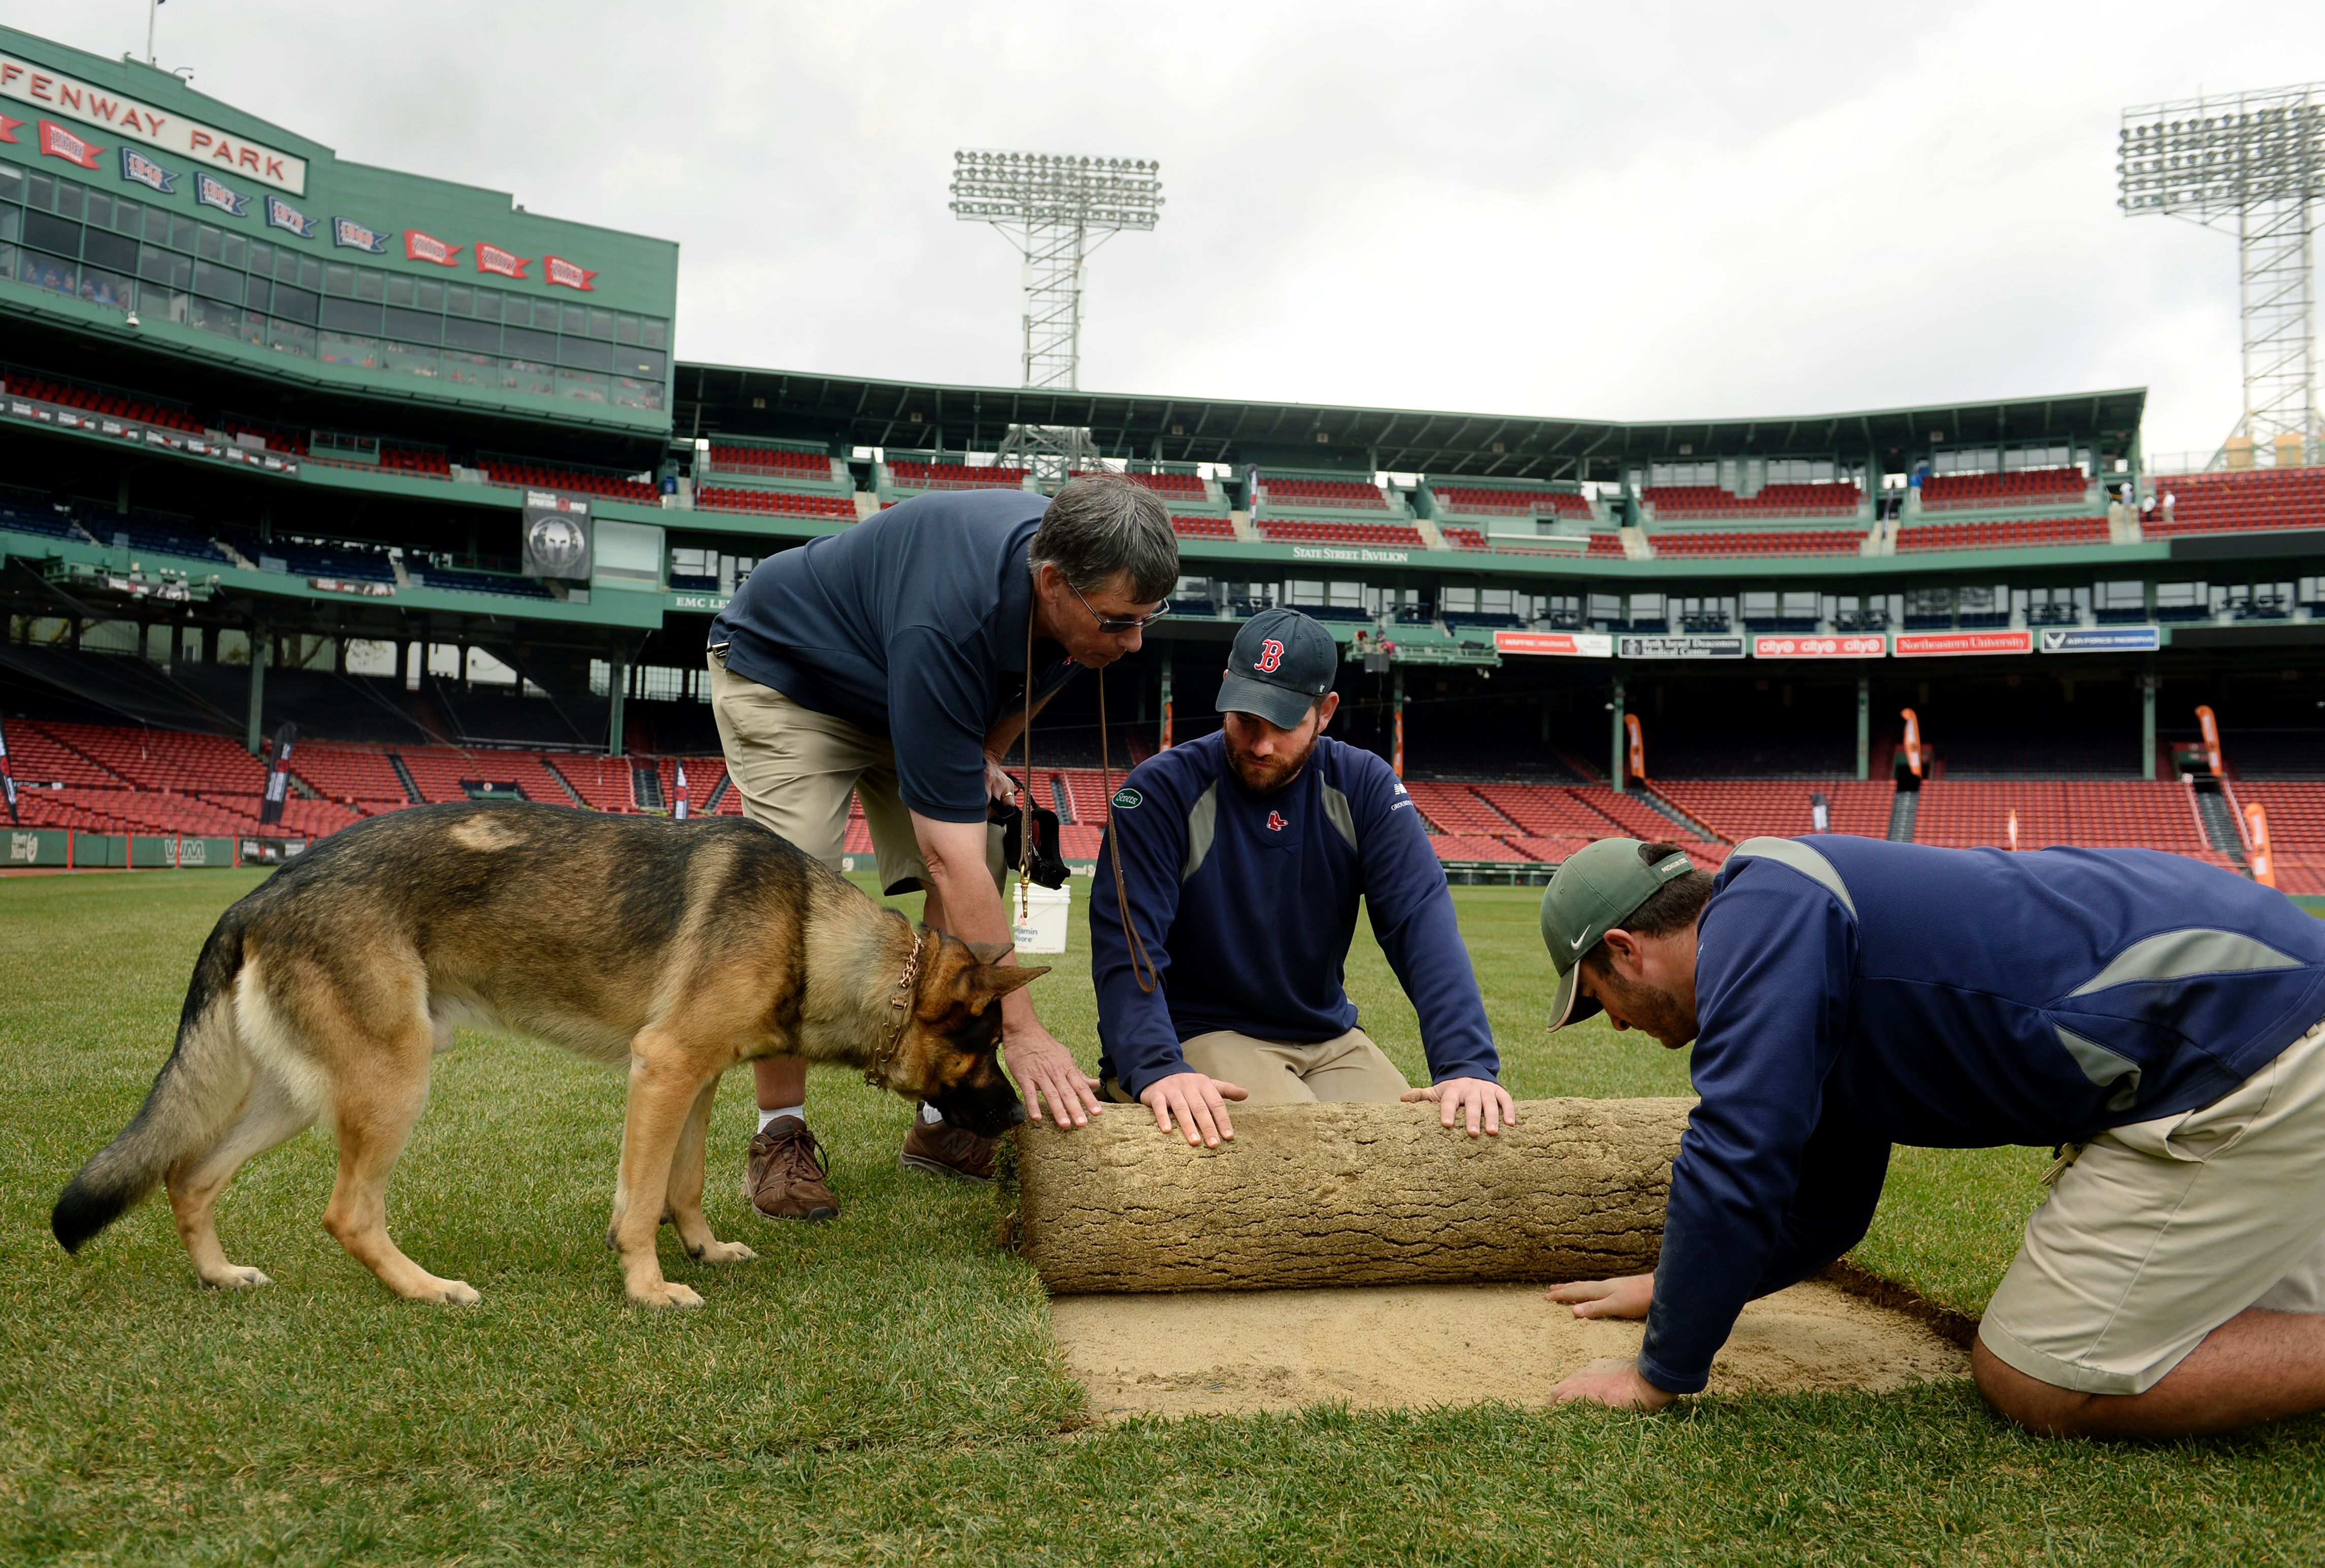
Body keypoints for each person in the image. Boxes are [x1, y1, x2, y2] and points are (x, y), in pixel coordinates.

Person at [1534, 834, 2325, 1438]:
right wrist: (1676, 1287)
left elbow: (1739, 1148)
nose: (1615, 1023)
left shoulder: (1762, 913)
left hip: (2245, 1056)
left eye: (1598, 1000)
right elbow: (1820, 1213)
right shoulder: (1787, 938)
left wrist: (1657, 1374)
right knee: (2252, 1326)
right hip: (2249, 1036)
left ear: (1622, 951)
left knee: (2038, 1378)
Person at [707, 475, 1177, 1221]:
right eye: (1119, 621)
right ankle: (780, 1133)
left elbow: (1041, 675)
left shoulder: (1070, 588)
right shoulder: (951, 618)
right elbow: (942, 857)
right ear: (1051, 582)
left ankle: (940, 1119)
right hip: (791, 677)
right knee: (790, 899)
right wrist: (1018, 1031)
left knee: (985, 846)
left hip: (902, 686)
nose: (1134, 642)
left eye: (1149, 618)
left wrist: (986, 751)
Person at [1090, 608, 1513, 1147]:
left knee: (1418, 1148)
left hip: (1328, 1036)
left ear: (1326, 710)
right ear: (1225, 688)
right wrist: (1154, 1065)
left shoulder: (1363, 786)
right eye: (1245, 718)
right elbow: (1127, 945)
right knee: (1318, 1157)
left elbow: (1421, 923)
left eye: (1284, 723)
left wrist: (1467, 1065)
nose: (1261, 744)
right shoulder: (1161, 790)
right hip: (1199, 1033)